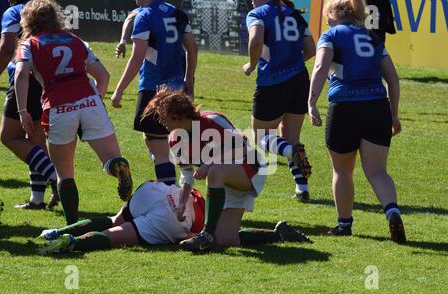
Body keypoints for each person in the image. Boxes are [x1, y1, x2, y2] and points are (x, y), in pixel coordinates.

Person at [142, 87, 312, 252]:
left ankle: (206, 234)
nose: (161, 121)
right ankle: (280, 234)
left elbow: (244, 148)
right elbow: (187, 175)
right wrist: (181, 203)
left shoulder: (212, 120)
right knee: (225, 240)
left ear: (178, 115)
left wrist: (208, 164)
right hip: (224, 179)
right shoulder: (174, 140)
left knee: (215, 171)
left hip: (251, 168)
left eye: (164, 117)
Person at [14, 0, 133, 225]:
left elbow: (20, 75)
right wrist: (95, 100)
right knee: (110, 159)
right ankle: (118, 167)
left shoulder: (30, 44)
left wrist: (22, 111)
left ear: (28, 21)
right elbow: (104, 75)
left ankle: (72, 227)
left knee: (64, 173)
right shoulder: (76, 40)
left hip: (58, 107)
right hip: (90, 102)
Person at [308, 0, 406, 244]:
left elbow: (320, 67)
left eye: (328, 15)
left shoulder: (331, 35)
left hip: (344, 109)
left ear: (337, 13)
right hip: (376, 108)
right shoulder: (372, 37)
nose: (327, 20)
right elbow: (392, 79)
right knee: (378, 172)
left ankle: (344, 225)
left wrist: (311, 103)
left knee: (342, 170)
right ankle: (392, 211)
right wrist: (393, 115)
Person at [37, 180, 310, 254]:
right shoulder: (208, 211)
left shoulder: (198, 194)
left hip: (153, 190)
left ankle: (60, 231)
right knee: (116, 237)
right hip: (175, 216)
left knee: (113, 220)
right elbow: (220, 235)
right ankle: (72, 243)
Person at [111, 0, 198, 187]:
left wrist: (119, 90)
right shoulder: (177, 13)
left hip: (154, 89)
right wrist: (189, 80)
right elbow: (192, 48)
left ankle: (171, 194)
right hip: (177, 87)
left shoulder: (146, 15)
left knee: (158, 147)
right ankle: (179, 182)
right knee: (156, 137)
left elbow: (137, 57)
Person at [243, 0, 316, 201]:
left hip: (273, 82)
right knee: (291, 136)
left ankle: (290, 151)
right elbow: (311, 49)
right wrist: (292, 62)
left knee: (260, 136)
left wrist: (251, 64)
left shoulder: (258, 13)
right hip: (300, 80)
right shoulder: (295, 13)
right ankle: (303, 189)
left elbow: (256, 41)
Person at [0, 0, 59, 210]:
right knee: (35, 139)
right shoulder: (46, 11)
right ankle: (37, 200)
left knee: (9, 136)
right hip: (46, 80)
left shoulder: (14, 12)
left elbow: (7, 50)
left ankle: (57, 177)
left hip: (24, 79)